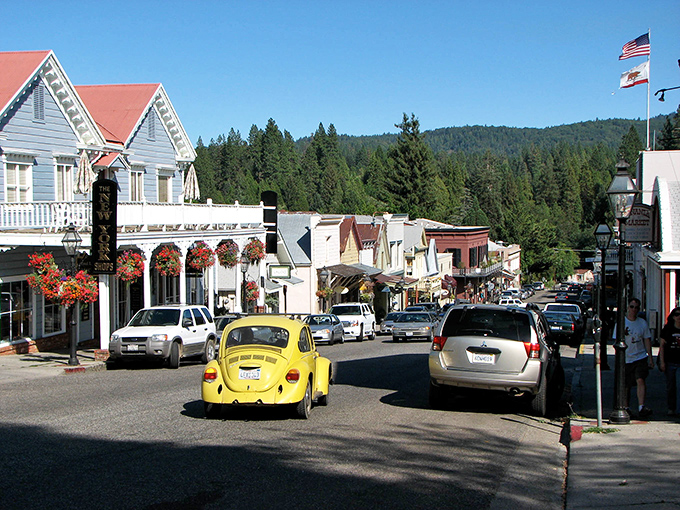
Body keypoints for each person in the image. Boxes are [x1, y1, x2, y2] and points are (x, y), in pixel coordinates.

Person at [613, 298, 654, 417]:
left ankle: (641, 406)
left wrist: (650, 357)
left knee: (640, 379)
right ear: (628, 308)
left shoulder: (642, 323)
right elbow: (615, 340)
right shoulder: (621, 323)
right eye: (632, 307)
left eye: (636, 307)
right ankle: (625, 407)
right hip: (626, 358)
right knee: (626, 384)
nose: (634, 310)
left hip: (640, 356)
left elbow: (647, 340)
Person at [658, 306, 680, 416]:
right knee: (671, 386)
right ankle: (671, 408)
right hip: (670, 361)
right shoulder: (667, 329)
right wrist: (662, 362)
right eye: (676, 314)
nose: (679, 317)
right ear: (673, 317)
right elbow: (662, 346)